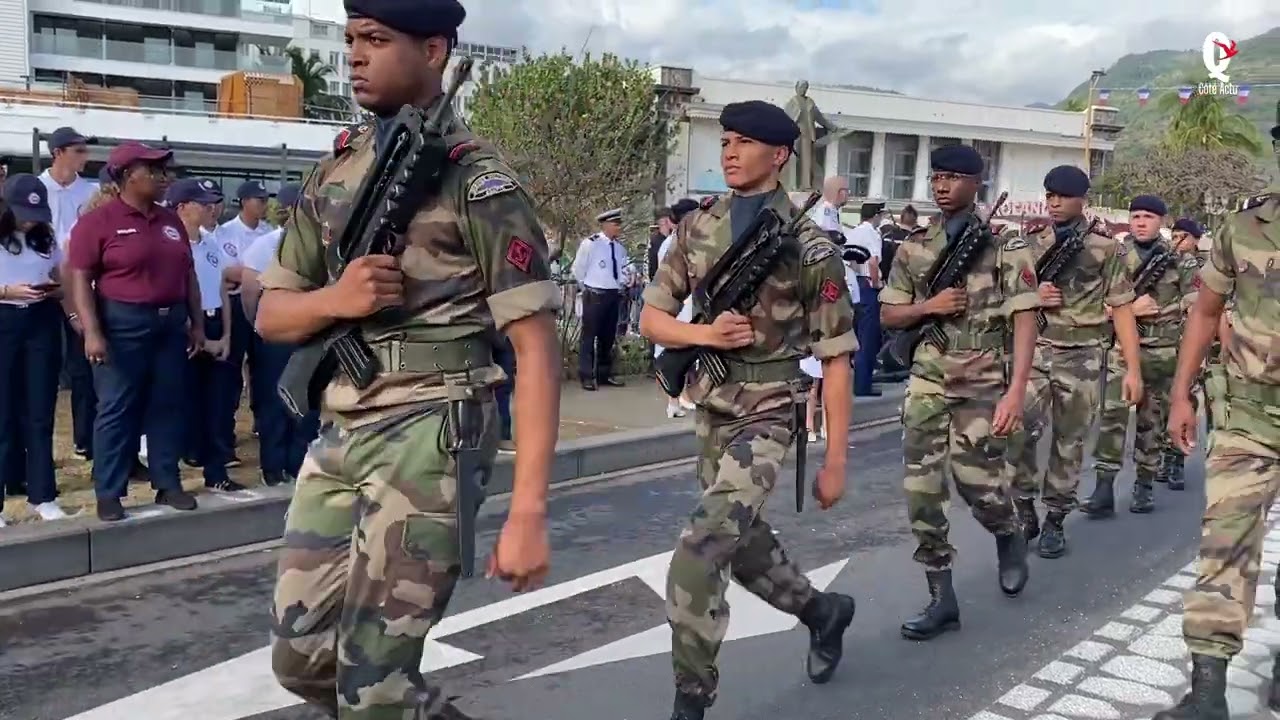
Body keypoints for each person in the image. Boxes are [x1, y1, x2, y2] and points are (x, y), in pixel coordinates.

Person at [258, 2, 560, 716]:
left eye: (377, 40)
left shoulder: (479, 182)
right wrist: (339, 300)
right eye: (352, 40)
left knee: (374, 686)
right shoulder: (334, 171)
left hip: (434, 428)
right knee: (301, 661)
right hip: (342, 429)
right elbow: (273, 313)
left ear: (433, 51)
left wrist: (529, 510)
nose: (356, 55)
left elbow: (537, 349)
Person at [640, 99, 858, 720]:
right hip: (711, 404)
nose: (728, 151)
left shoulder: (811, 248)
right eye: (725, 140)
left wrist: (835, 459)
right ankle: (822, 611)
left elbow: (837, 359)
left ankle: (691, 700)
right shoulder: (697, 227)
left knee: (702, 548)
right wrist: (705, 336)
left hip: (767, 411)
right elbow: (651, 316)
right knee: (743, 541)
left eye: (743, 142)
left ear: (780, 155)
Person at [879, 144, 1038, 640]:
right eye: (936, 177)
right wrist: (930, 307)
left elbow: (1026, 318)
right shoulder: (912, 246)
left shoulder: (1006, 247)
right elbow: (888, 315)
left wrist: (1016, 392)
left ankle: (1008, 532)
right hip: (927, 378)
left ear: (976, 184)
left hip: (983, 378)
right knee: (922, 493)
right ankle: (940, 597)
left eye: (953, 177)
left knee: (977, 484)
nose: (942, 186)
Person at [1153, 179, 1279, 718]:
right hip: (1248, 416)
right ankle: (1207, 696)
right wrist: (1181, 393)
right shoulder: (1244, 226)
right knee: (1223, 547)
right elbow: (1205, 311)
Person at [1004, 165, 1143, 558]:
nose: (1053, 202)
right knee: (1017, 429)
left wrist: (1132, 369)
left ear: (1082, 199)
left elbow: (1122, 309)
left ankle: (1055, 520)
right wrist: (1034, 298)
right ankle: (1024, 504)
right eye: (1049, 195)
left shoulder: (1105, 247)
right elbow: (1004, 298)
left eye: (1062, 196)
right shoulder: (1029, 243)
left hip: (1083, 355)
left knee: (1069, 440)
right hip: (1036, 351)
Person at [66, 142, 203, 522]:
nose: (165, 178)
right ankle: (109, 491)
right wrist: (91, 331)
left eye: (166, 171)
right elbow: (80, 278)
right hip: (121, 324)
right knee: (116, 407)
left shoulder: (171, 221)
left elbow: (188, 274)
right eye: (155, 171)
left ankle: (167, 483)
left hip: (170, 323)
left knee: (167, 405)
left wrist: (196, 323)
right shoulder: (98, 222)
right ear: (127, 176)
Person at [1082, 195, 1198, 516]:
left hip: (1162, 352)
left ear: (1162, 221)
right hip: (1121, 348)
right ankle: (1104, 488)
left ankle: (1144, 484)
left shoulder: (1181, 261)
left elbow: (1197, 305)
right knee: (1112, 418)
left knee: (1152, 421)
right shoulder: (1113, 254)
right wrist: (1130, 310)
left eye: (1148, 216)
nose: (1141, 222)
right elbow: (1089, 304)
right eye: (1136, 216)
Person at [0, 175, 72, 524]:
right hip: (4, 320)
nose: (29, 220)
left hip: (41, 320)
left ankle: (43, 495)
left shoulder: (46, 237)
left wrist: (53, 289)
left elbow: (62, 277)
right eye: (22, 212)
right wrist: (6, 291)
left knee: (40, 411)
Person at [168, 178, 244, 492]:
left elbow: (222, 290)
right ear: (182, 207)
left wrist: (225, 334)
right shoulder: (170, 244)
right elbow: (172, 294)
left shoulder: (210, 241)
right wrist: (198, 335)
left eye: (212, 202)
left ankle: (217, 474)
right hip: (185, 328)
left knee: (217, 404)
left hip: (214, 323)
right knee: (181, 406)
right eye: (203, 203)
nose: (211, 208)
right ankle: (172, 478)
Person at [240, 183, 319, 483]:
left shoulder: (319, 246)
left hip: (310, 333)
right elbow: (249, 293)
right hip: (276, 336)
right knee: (275, 401)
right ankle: (273, 466)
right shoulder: (266, 245)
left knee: (307, 401)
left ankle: (298, 462)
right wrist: (260, 327)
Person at [41, 127, 98, 459]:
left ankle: (84, 439)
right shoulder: (38, 188)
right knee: (46, 369)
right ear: (58, 152)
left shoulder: (90, 192)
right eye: (78, 151)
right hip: (44, 289)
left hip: (78, 287)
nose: (84, 157)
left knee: (83, 367)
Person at [217, 179, 276, 466]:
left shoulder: (271, 233)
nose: (263, 204)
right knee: (230, 374)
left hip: (267, 302)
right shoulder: (226, 233)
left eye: (265, 200)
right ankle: (225, 436)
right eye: (258, 199)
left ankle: (262, 424)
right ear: (244, 202)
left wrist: (251, 273)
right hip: (238, 304)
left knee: (263, 370)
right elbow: (227, 271)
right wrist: (256, 273)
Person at [572, 208, 632, 390]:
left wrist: (625, 281)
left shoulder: (619, 248)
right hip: (595, 294)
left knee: (608, 337)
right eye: (615, 225)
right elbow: (578, 269)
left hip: (613, 295)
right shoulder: (590, 244)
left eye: (619, 225)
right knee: (589, 337)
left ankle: (604, 374)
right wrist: (586, 287)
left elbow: (623, 269)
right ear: (605, 225)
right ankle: (587, 376)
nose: (618, 228)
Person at [653, 197, 700, 418]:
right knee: (676, 352)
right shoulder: (672, 244)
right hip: (677, 305)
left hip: (688, 305)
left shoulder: (687, 241)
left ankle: (680, 399)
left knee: (687, 352)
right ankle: (675, 399)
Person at [848, 201, 885, 396]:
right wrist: (876, 282)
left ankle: (860, 383)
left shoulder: (855, 232)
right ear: (876, 215)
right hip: (869, 285)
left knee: (860, 333)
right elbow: (873, 260)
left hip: (857, 284)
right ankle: (863, 385)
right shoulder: (871, 232)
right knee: (868, 336)